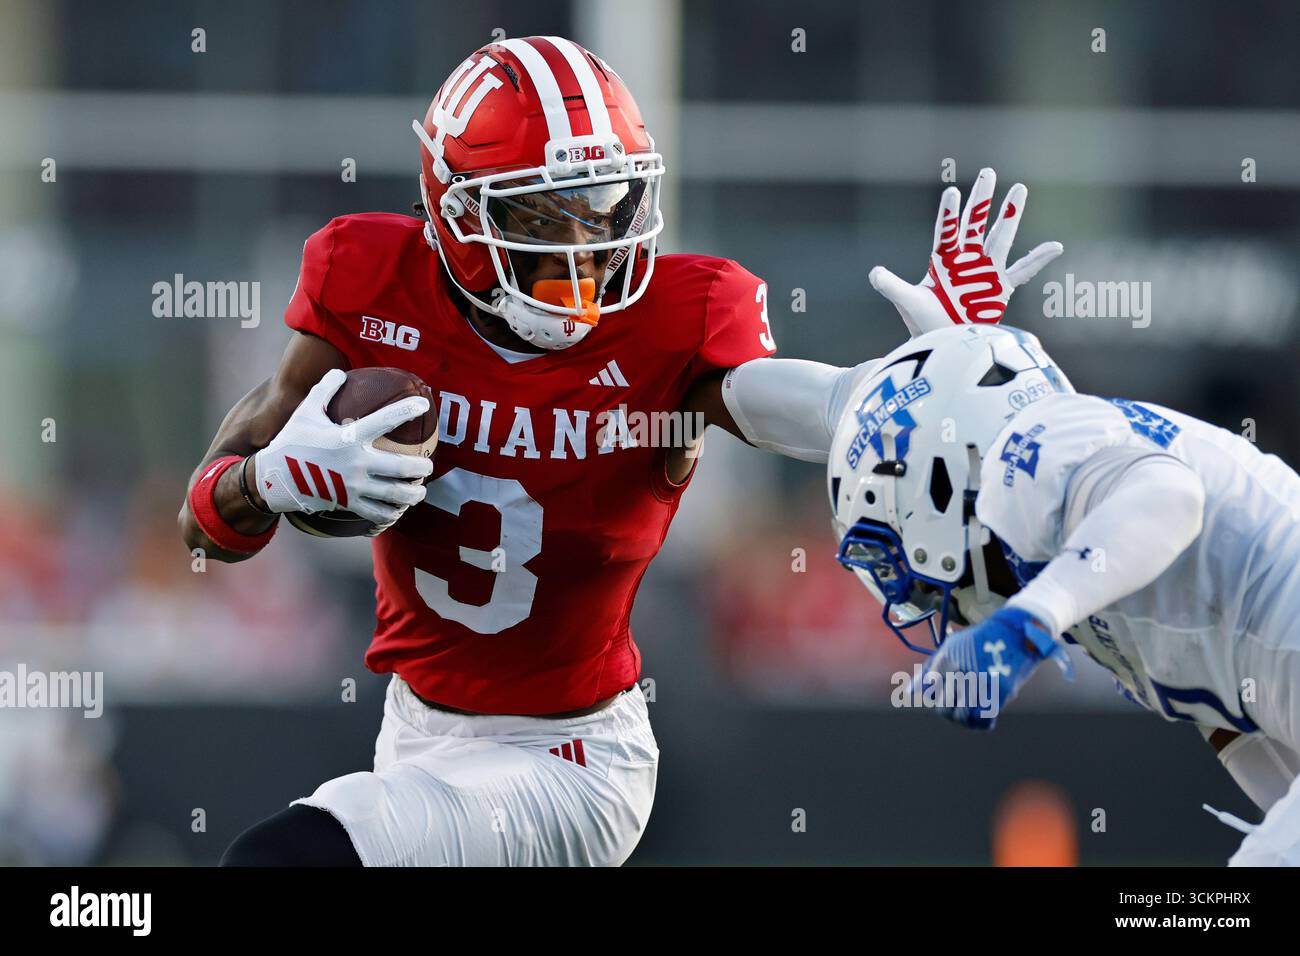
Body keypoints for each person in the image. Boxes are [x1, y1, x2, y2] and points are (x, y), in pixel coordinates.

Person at [179, 35, 1059, 866]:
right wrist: (268, 482)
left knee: (288, 858)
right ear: (452, 212)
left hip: (574, 759)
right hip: (413, 729)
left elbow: (799, 403)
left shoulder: (674, 323)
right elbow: (203, 525)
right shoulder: (368, 279)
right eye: (541, 217)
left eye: (603, 209)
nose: (583, 253)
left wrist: (922, 379)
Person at [828, 323, 1300, 865]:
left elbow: (1169, 498)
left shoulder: (1028, 455)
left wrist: (1026, 624)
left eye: (894, 553)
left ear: (933, 483)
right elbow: (1253, 741)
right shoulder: (1085, 571)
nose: (916, 591)